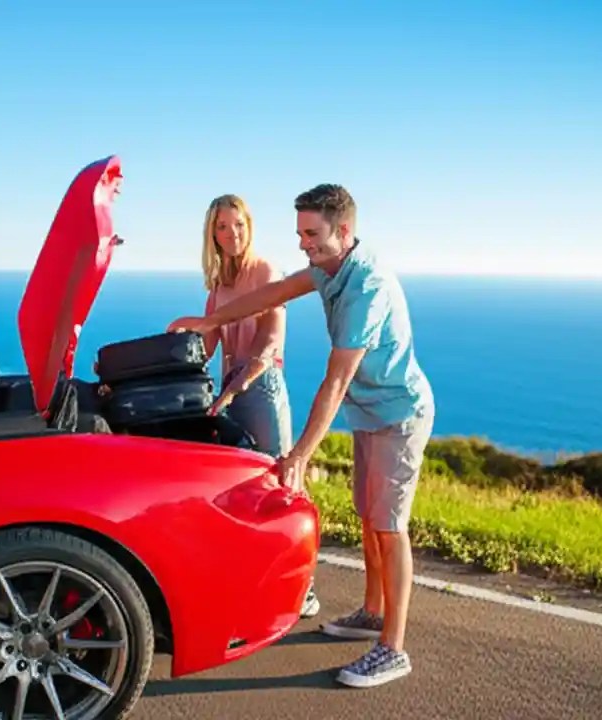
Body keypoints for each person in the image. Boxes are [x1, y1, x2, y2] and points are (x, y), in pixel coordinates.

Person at [167, 183, 434, 688]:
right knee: (368, 516)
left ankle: (392, 648)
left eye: (311, 234)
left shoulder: (365, 288)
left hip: (400, 414)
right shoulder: (328, 267)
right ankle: (372, 612)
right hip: (370, 413)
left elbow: (335, 381)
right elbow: (272, 293)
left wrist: (300, 455)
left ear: (344, 231)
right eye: (300, 234)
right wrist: (210, 320)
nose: (303, 243)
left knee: (390, 525)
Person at [184, 193, 320, 619]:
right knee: (239, 488)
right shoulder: (217, 286)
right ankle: (256, 580)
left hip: (259, 388)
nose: (231, 233)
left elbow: (268, 343)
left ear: (249, 226)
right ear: (213, 234)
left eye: (237, 224)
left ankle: (305, 586)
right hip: (228, 387)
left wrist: (237, 387)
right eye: (222, 227)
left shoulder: (265, 271)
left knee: (280, 479)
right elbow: (205, 347)